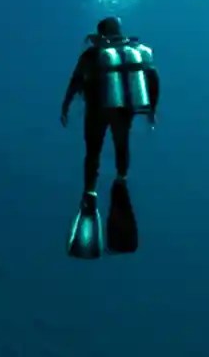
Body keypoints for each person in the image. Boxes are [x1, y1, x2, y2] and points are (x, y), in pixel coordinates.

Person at [60, 16, 160, 258]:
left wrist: (66, 105)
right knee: (121, 146)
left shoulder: (93, 53)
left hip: (96, 109)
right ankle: (121, 178)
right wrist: (151, 111)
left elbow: (75, 80)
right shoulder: (134, 52)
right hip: (122, 110)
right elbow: (153, 78)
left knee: (92, 151)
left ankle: (90, 191)